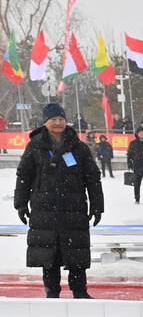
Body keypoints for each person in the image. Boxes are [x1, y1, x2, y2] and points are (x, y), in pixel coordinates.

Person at [13, 102, 103, 300]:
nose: (58, 123)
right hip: (44, 210)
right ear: (45, 122)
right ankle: (52, 293)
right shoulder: (35, 146)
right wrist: (20, 203)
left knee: (76, 254)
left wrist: (97, 206)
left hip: (74, 209)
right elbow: (24, 175)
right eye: (53, 119)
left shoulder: (79, 147)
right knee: (49, 255)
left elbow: (92, 178)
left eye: (61, 119)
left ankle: (80, 291)